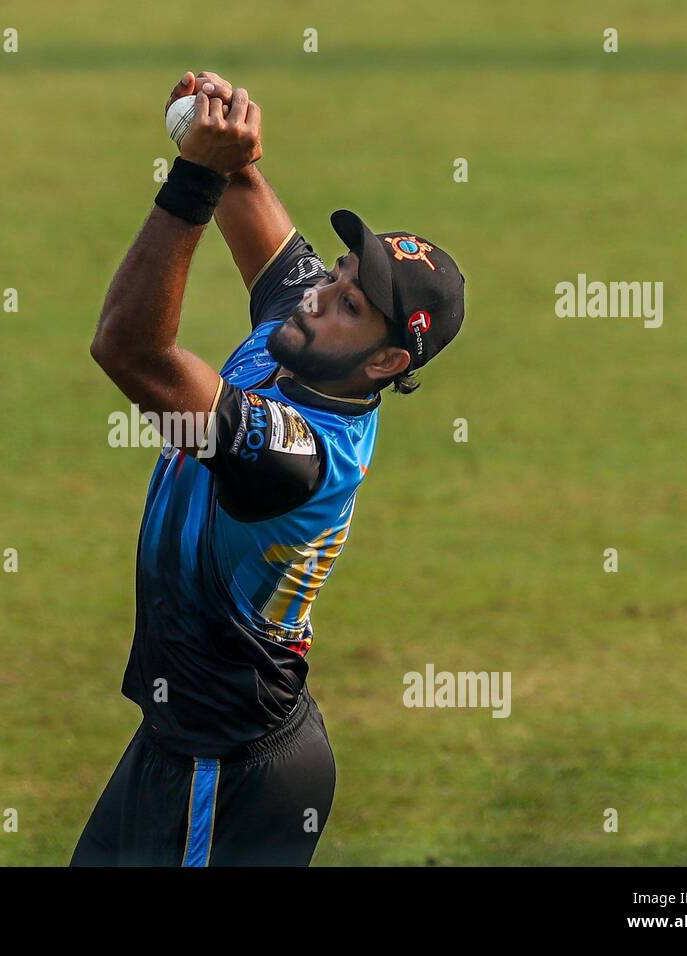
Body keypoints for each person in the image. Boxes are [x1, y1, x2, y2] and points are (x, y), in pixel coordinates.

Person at [73, 71, 466, 866]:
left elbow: (129, 350)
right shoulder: (306, 328)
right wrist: (225, 128)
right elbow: (242, 181)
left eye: (350, 305)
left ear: (387, 360)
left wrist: (191, 177)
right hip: (180, 745)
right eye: (339, 278)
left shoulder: (294, 458)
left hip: (229, 772)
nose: (321, 297)